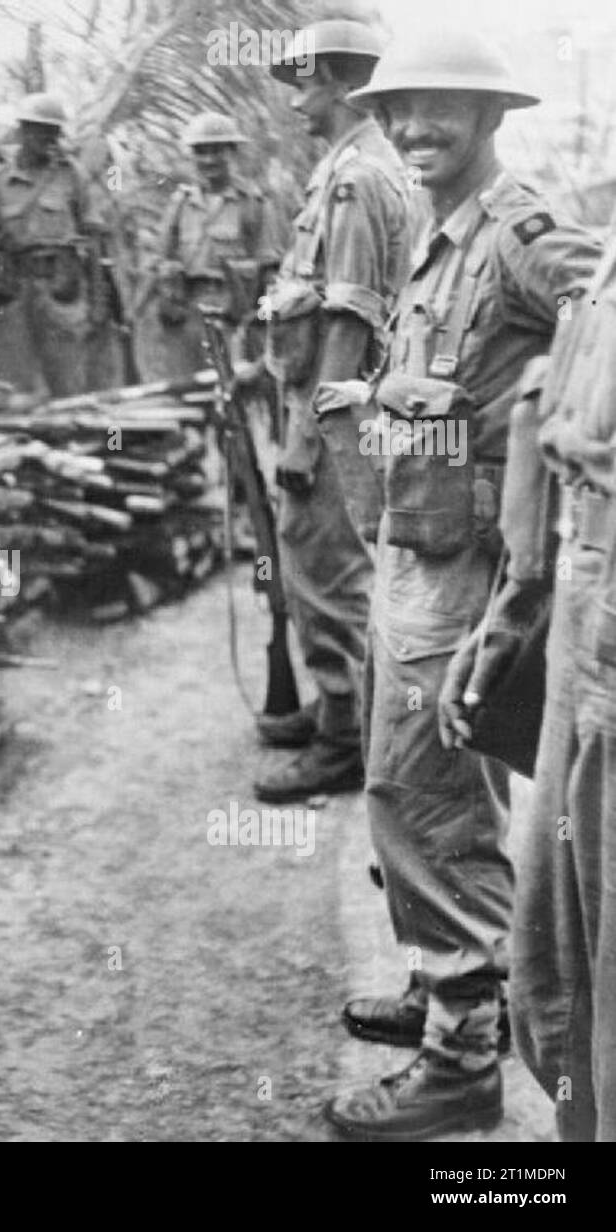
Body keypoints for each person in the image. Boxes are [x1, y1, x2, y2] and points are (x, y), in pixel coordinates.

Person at [322, 28, 602, 1140]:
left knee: (422, 796)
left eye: (434, 110)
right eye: (394, 113)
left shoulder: (522, 231)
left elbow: (601, 307)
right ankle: (457, 985)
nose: (407, 130)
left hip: (469, 568)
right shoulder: (441, 240)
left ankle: (461, 1058)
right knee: (410, 786)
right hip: (415, 545)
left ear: (491, 117)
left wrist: (545, 412)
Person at [439, 240, 616, 1144]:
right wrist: (516, 603)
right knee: (556, 977)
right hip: (585, 601)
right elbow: (548, 405)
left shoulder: (530, 238)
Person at [254, 16, 412, 802]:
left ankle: (346, 740)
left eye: (309, 83)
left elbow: (352, 314)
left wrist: (311, 440)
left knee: (325, 575)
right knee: (321, 572)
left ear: (347, 85)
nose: (296, 104)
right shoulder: (343, 170)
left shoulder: (356, 181)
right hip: (320, 400)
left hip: (333, 414)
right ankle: (337, 707)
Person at [0, 93, 114, 398]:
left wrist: (98, 303)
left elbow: (93, 240)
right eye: (39, 129)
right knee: (16, 385)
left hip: (61, 293)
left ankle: (74, 441)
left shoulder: (72, 177)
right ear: (23, 131)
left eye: (53, 131)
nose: (47, 138)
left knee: (69, 382)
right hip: (12, 295)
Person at [136, 112, 284, 384]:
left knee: (233, 396)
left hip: (233, 320)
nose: (208, 160)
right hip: (186, 317)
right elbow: (157, 257)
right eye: (201, 152)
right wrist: (164, 275)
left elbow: (270, 270)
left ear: (233, 152)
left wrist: (263, 325)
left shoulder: (254, 204)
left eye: (217, 151)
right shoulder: (181, 203)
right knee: (187, 394)